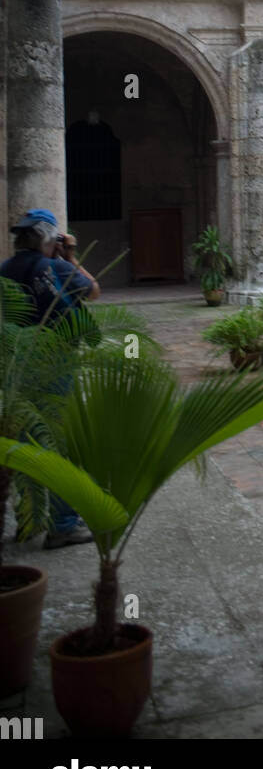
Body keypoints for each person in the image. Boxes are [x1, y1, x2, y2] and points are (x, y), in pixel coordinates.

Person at [1, 209, 100, 548]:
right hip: (55, 363)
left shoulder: (6, 269)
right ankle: (63, 523)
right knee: (59, 441)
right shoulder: (55, 266)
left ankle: (29, 521)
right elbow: (93, 290)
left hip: (18, 365)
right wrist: (70, 256)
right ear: (49, 238)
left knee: (28, 440)